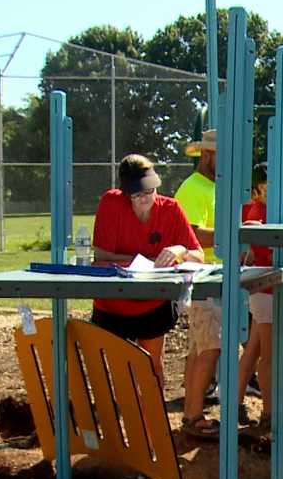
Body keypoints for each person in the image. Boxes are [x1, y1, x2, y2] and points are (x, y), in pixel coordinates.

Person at [91, 154, 203, 383]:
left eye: (149, 191)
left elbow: (198, 255)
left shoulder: (171, 209)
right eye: (137, 194)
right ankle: (121, 417)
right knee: (118, 372)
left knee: (152, 367)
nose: (144, 198)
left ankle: (151, 417)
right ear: (125, 192)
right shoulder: (111, 203)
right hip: (113, 303)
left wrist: (180, 250)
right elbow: (101, 255)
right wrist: (145, 259)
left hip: (153, 302)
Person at [175, 128, 223, 434]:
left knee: (200, 348)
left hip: (210, 277)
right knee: (210, 349)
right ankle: (193, 416)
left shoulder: (211, 187)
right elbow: (189, 235)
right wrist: (234, 235)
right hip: (203, 278)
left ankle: (191, 412)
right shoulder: (193, 188)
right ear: (207, 154)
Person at [234, 162, 278, 425]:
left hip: (267, 288)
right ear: (260, 188)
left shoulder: (269, 211)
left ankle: (236, 402)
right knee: (269, 355)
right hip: (266, 289)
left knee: (253, 349)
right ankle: (269, 413)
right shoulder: (260, 213)